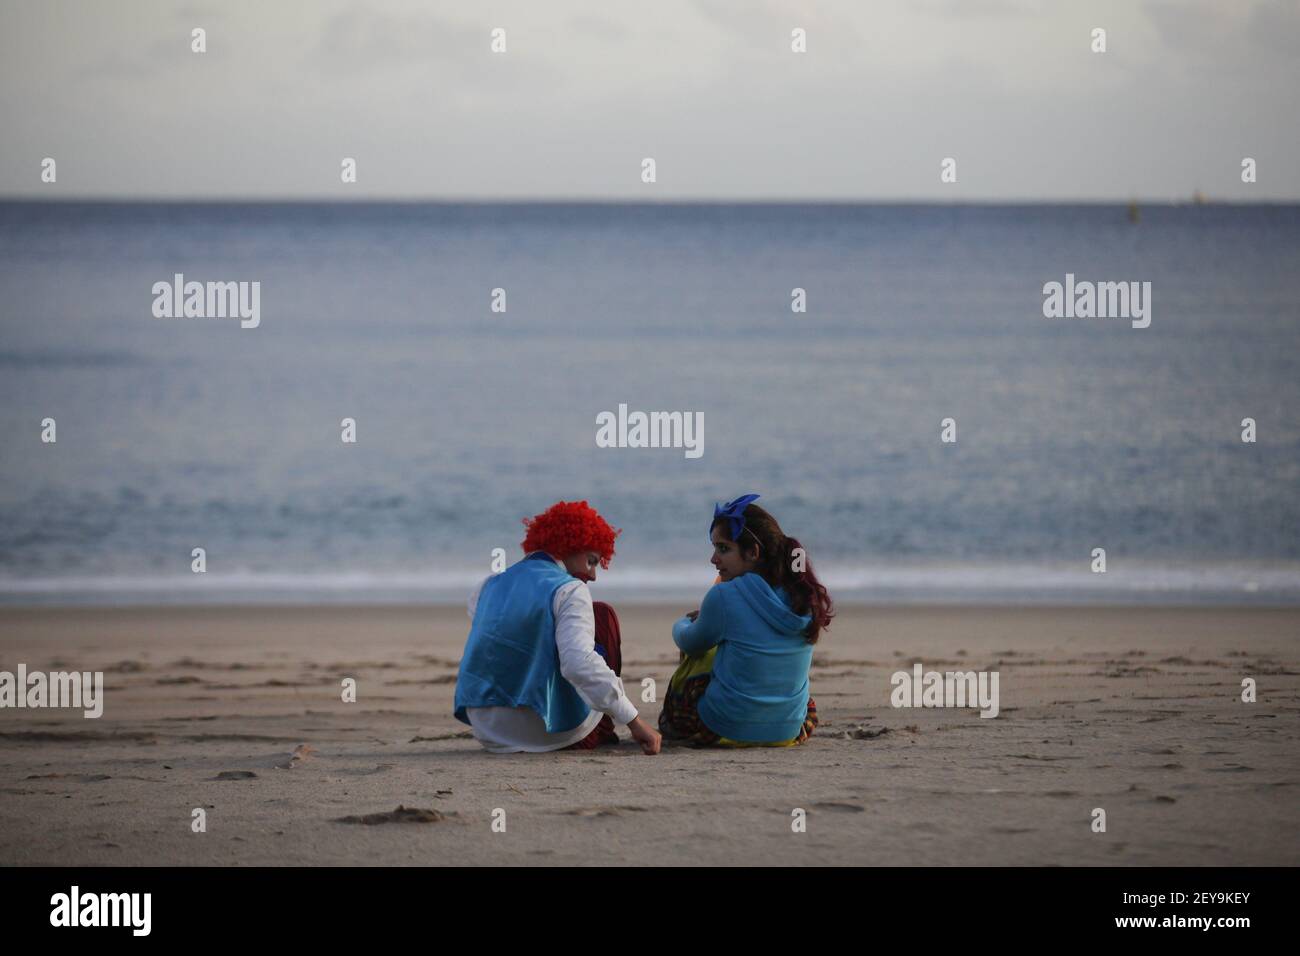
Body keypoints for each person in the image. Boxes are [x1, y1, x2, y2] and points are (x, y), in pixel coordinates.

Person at [454, 500, 661, 755]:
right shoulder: (571, 589)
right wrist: (634, 721)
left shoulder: (486, 586)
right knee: (603, 615)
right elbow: (577, 664)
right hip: (544, 732)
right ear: (570, 546)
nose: (593, 575)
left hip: (488, 731)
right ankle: (604, 727)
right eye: (592, 560)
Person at [659, 494, 834, 747]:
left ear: (752, 552)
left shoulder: (724, 595)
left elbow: (689, 643)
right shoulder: (803, 595)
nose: (713, 559)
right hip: (788, 731)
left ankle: (681, 727)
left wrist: (684, 624)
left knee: (699, 657)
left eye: (723, 548)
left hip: (722, 728)